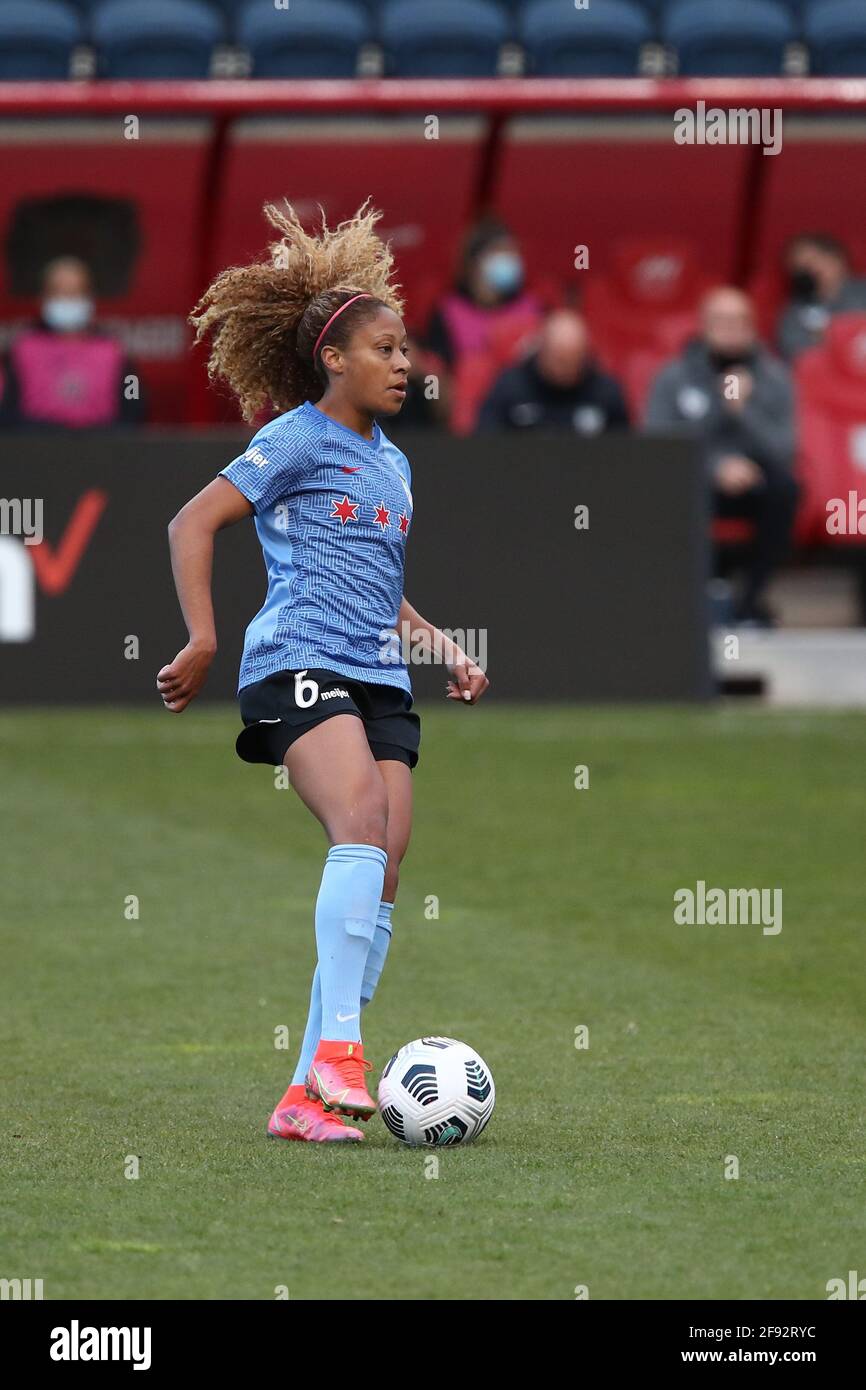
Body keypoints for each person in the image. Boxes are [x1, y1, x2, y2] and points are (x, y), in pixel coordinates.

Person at [157, 200, 489, 1144]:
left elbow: (383, 590)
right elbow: (192, 522)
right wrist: (204, 637)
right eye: (386, 349)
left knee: (384, 864)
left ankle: (308, 1092)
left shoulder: (395, 466)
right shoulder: (299, 437)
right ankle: (343, 1052)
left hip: (381, 675)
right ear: (334, 360)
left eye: (407, 350)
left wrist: (445, 647)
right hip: (298, 660)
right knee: (359, 822)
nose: (404, 364)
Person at [644, 287, 798, 626]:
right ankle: (690, 604)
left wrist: (743, 410)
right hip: (694, 480)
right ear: (703, 325)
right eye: (722, 320)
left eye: (740, 320)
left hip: (755, 481)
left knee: (786, 488)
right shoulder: (674, 376)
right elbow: (657, 446)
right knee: (664, 490)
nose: (731, 328)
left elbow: (784, 449)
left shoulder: (774, 377)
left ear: (754, 326)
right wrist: (714, 465)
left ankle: (748, 605)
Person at [0, 255, 144, 428]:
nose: (67, 299)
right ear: (43, 297)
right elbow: (5, 406)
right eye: (59, 292)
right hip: (37, 447)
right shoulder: (21, 350)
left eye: (75, 292)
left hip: (101, 448)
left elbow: (134, 397)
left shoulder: (114, 351)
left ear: (89, 297)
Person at [477, 309, 629, 434]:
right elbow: (485, 444)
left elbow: (624, 454)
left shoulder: (606, 391)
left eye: (573, 360)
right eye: (559, 360)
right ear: (542, 351)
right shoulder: (510, 386)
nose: (565, 369)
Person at [777, 233, 866, 361]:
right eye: (799, 268)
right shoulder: (795, 311)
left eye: (811, 263)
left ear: (836, 260)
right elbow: (796, 353)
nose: (807, 273)